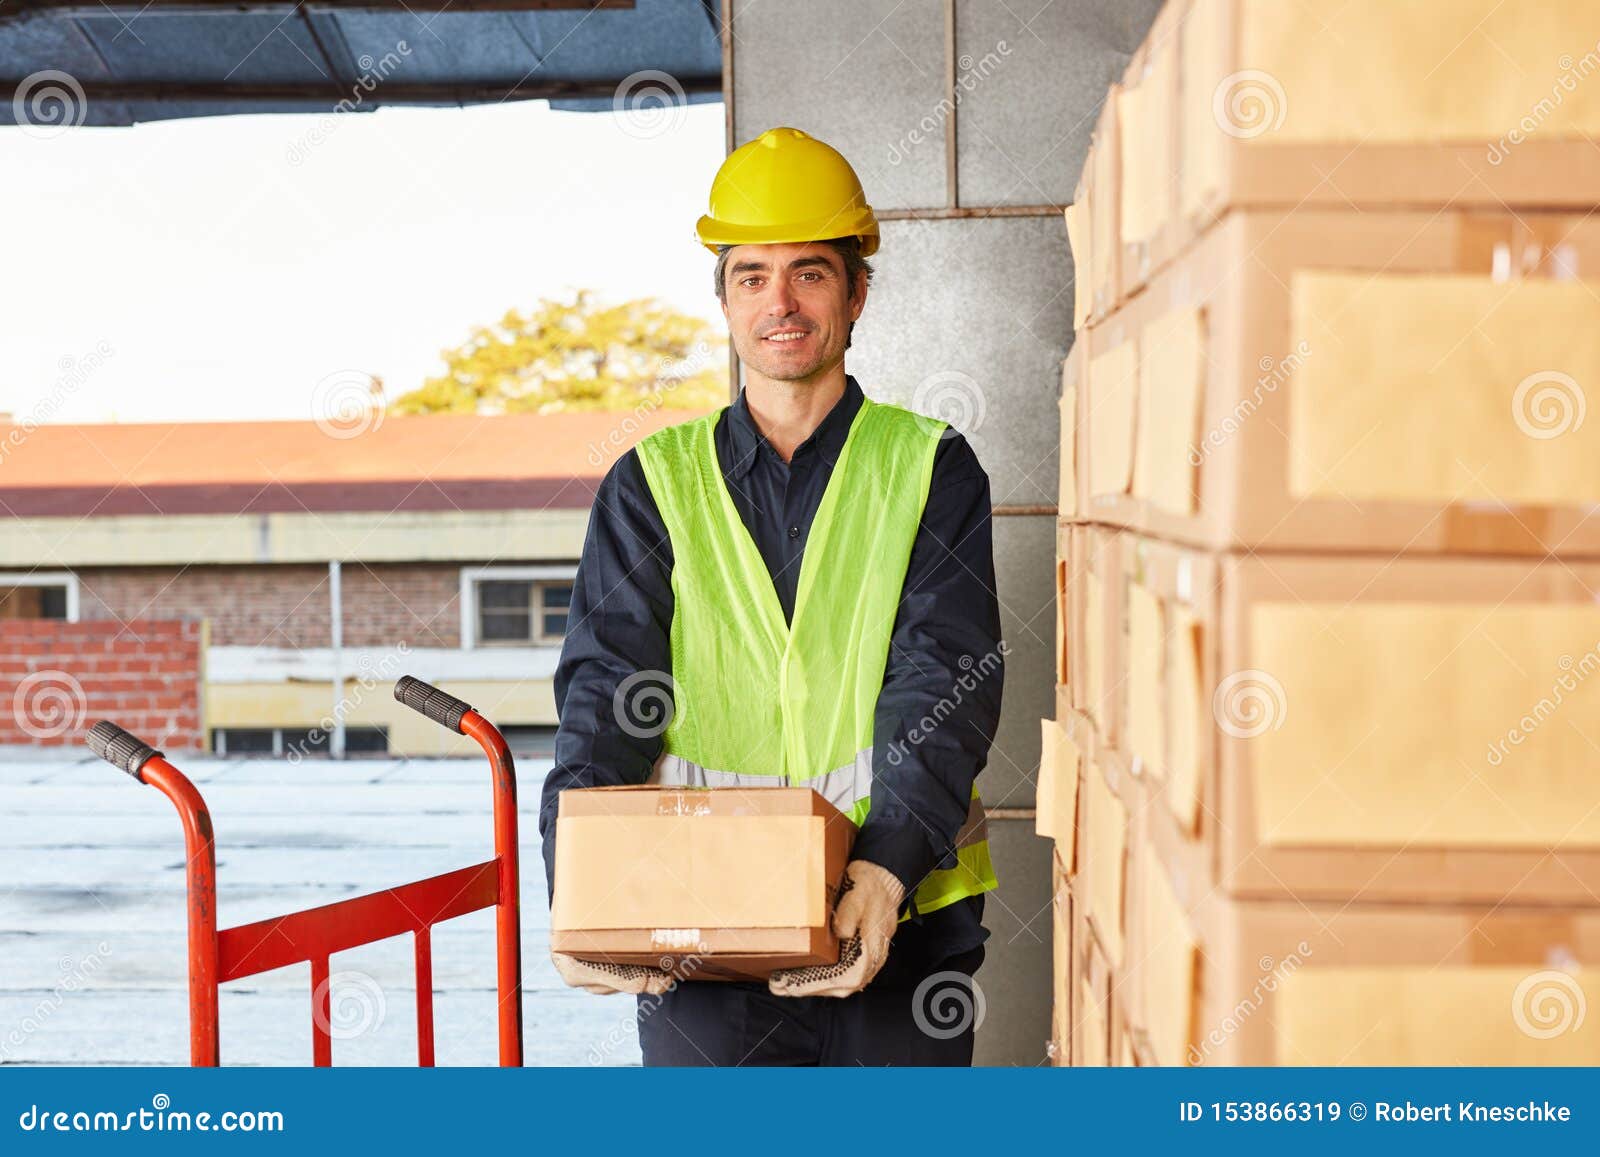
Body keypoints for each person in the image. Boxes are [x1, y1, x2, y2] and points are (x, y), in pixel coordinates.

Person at [538, 126, 1004, 1066]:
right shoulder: (651, 482)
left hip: (895, 918)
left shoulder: (929, 467)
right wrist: (576, 874)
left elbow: (943, 674)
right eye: (751, 276)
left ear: (857, 292)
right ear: (723, 300)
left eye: (810, 274)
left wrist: (882, 867)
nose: (779, 303)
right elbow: (607, 691)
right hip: (704, 928)